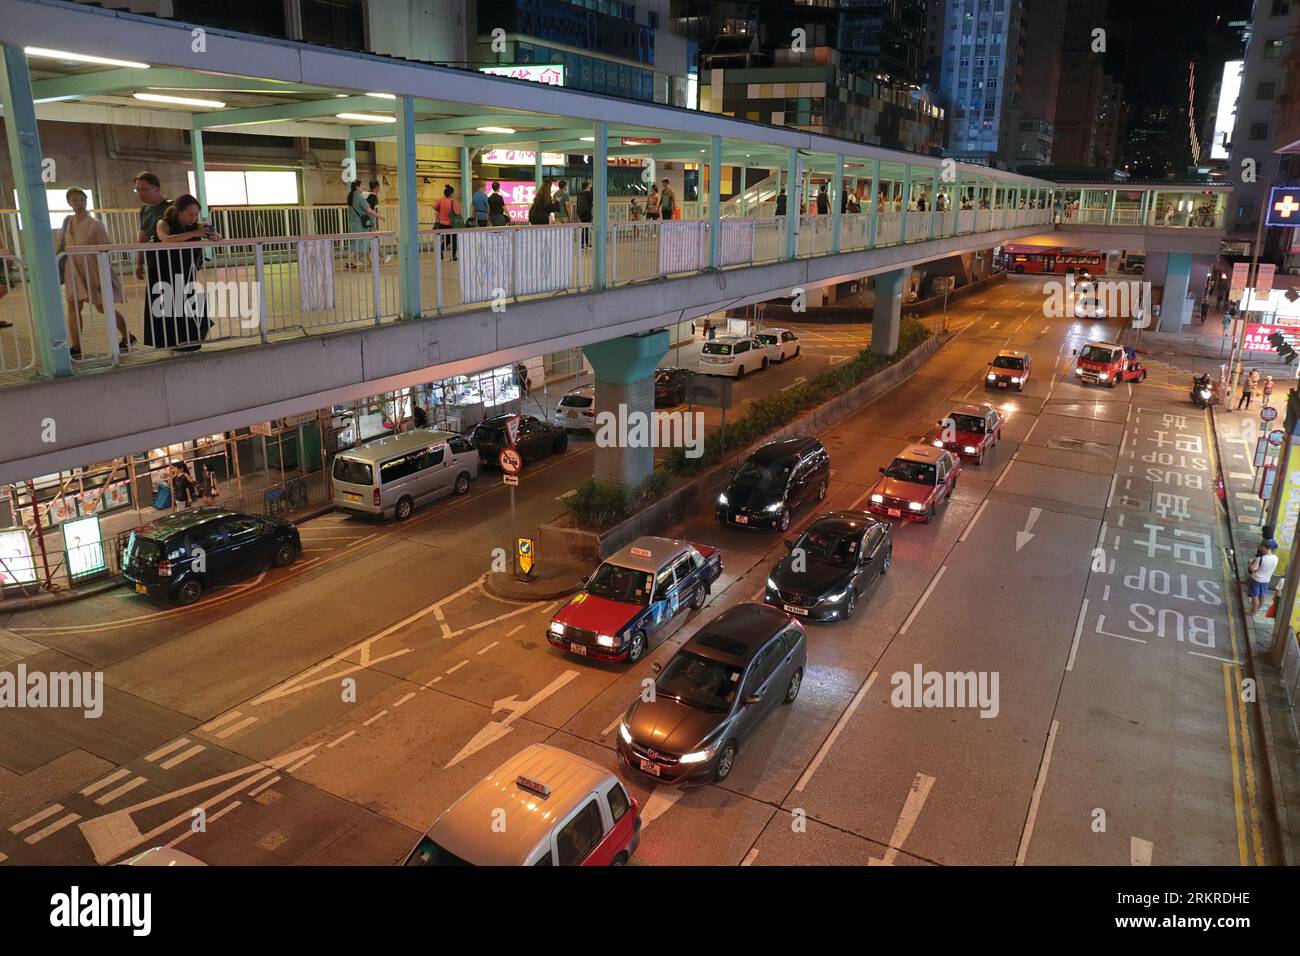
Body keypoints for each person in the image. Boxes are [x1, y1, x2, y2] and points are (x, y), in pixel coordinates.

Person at [60, 187, 133, 356]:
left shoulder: (95, 224)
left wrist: (102, 279)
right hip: (74, 270)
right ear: (69, 203)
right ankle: (76, 346)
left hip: (93, 270)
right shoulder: (68, 223)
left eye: (81, 199)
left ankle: (127, 336)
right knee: (73, 306)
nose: (78, 203)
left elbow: (106, 249)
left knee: (103, 307)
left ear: (86, 201)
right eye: (74, 200)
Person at [147, 194, 219, 352]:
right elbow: (165, 238)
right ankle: (173, 343)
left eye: (195, 215)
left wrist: (213, 235)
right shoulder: (163, 223)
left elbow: (215, 236)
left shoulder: (195, 226)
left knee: (196, 305)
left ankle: (191, 341)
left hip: (185, 271)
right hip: (163, 272)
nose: (193, 218)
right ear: (178, 211)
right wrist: (194, 234)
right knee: (169, 308)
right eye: (189, 214)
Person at [345, 179, 373, 269]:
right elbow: (368, 209)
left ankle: (371, 262)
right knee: (361, 243)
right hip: (360, 224)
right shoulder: (358, 197)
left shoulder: (351, 196)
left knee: (362, 243)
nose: (362, 188)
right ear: (357, 187)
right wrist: (379, 216)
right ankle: (349, 261)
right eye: (361, 186)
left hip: (354, 224)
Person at [1248, 542, 1278, 615]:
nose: (1261, 548)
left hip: (1256, 579)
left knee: (1254, 596)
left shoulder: (1260, 558)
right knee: (1262, 595)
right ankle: (1259, 607)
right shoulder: (1275, 558)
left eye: (1262, 547)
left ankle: (1253, 611)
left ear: (1266, 548)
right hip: (1266, 580)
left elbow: (1253, 569)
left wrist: (1249, 563)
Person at [434, 184, 461, 261]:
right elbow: (457, 213)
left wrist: (440, 211)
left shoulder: (440, 200)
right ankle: (453, 256)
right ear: (451, 193)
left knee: (446, 240)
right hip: (452, 224)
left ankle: (440, 251)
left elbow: (434, 207)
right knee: (454, 240)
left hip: (442, 224)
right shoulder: (453, 202)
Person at [576, 180, 594, 249]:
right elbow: (593, 197)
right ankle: (584, 244)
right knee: (586, 228)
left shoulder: (580, 194)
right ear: (587, 186)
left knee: (584, 228)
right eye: (590, 185)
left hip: (581, 213)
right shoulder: (589, 194)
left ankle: (585, 243)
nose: (591, 185)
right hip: (587, 213)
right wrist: (591, 188)